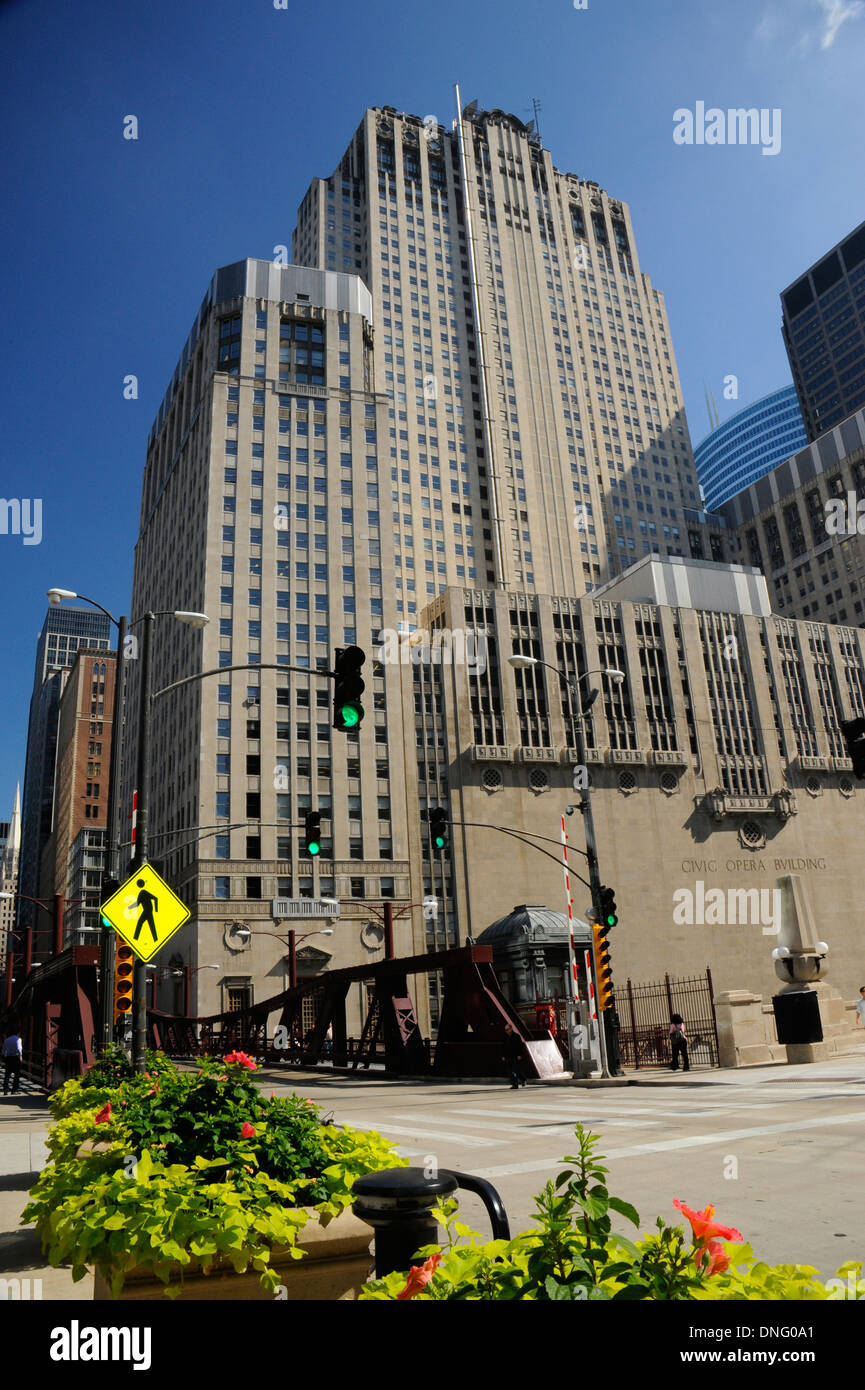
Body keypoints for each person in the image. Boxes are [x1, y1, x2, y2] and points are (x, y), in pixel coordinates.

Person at [503, 1023, 526, 1089]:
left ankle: (523, 1079)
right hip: (508, 1056)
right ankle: (514, 1085)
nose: (506, 1031)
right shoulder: (505, 1036)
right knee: (510, 1071)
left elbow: (520, 1046)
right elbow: (503, 1046)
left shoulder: (517, 1036)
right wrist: (503, 1055)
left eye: (507, 1029)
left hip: (515, 1056)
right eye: (505, 1030)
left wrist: (520, 1055)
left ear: (511, 1029)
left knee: (516, 1070)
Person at [2, 1028, 22, 1095]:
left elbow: (3, 1050)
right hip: (15, 1058)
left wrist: (6, 1056)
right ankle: (14, 1090)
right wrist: (20, 1056)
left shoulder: (6, 1040)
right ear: (17, 1033)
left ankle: (5, 1090)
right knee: (17, 1075)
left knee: (7, 1074)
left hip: (8, 1058)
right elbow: (19, 1049)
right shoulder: (18, 1039)